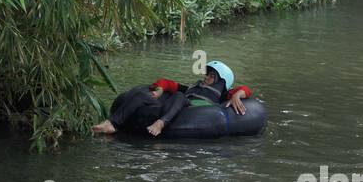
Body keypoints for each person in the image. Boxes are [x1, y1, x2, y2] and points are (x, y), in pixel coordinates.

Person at [92, 61, 252, 136]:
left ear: (221, 83)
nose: (205, 78)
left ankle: (161, 124)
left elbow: (245, 90)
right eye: (206, 74)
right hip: (170, 107)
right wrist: (160, 89)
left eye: (211, 76)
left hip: (193, 113)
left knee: (180, 96)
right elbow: (167, 82)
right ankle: (111, 123)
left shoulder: (224, 94)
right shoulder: (190, 88)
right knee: (142, 95)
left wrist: (237, 95)